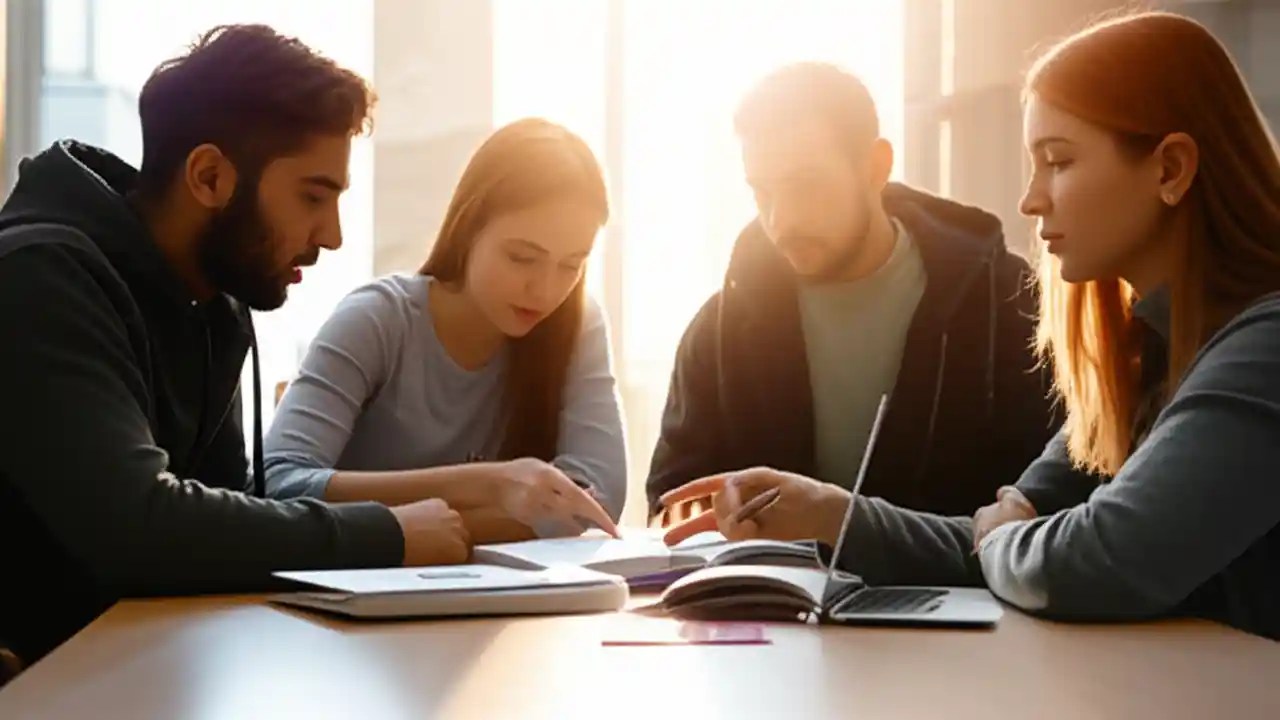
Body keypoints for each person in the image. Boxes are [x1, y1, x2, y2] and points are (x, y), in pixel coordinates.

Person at [660, 12, 1280, 640]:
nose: (1030, 199)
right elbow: (1001, 543)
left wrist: (1007, 535)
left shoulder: (1267, 348)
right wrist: (830, 513)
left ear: (1170, 169)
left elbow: (1097, 559)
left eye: (1058, 161)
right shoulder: (1145, 357)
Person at [0, 25, 471, 664]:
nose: (330, 236)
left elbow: (226, 512)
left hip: (118, 670)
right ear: (210, 176)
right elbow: (136, 525)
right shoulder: (39, 277)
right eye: (313, 196)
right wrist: (386, 534)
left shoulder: (210, 300)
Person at [649, 62, 1060, 530]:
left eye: (806, 186)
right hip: (774, 599)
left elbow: (1060, 496)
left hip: (972, 594)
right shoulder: (719, 329)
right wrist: (715, 519)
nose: (781, 221)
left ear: (875, 167)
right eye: (763, 193)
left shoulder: (1007, 301)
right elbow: (671, 506)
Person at [264, 118, 624, 542]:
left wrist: (436, 531)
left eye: (571, 265)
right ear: (469, 228)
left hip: (499, 599)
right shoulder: (377, 320)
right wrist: (486, 486)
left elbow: (594, 498)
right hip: (359, 591)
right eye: (522, 258)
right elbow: (278, 485)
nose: (545, 290)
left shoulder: (576, 322)